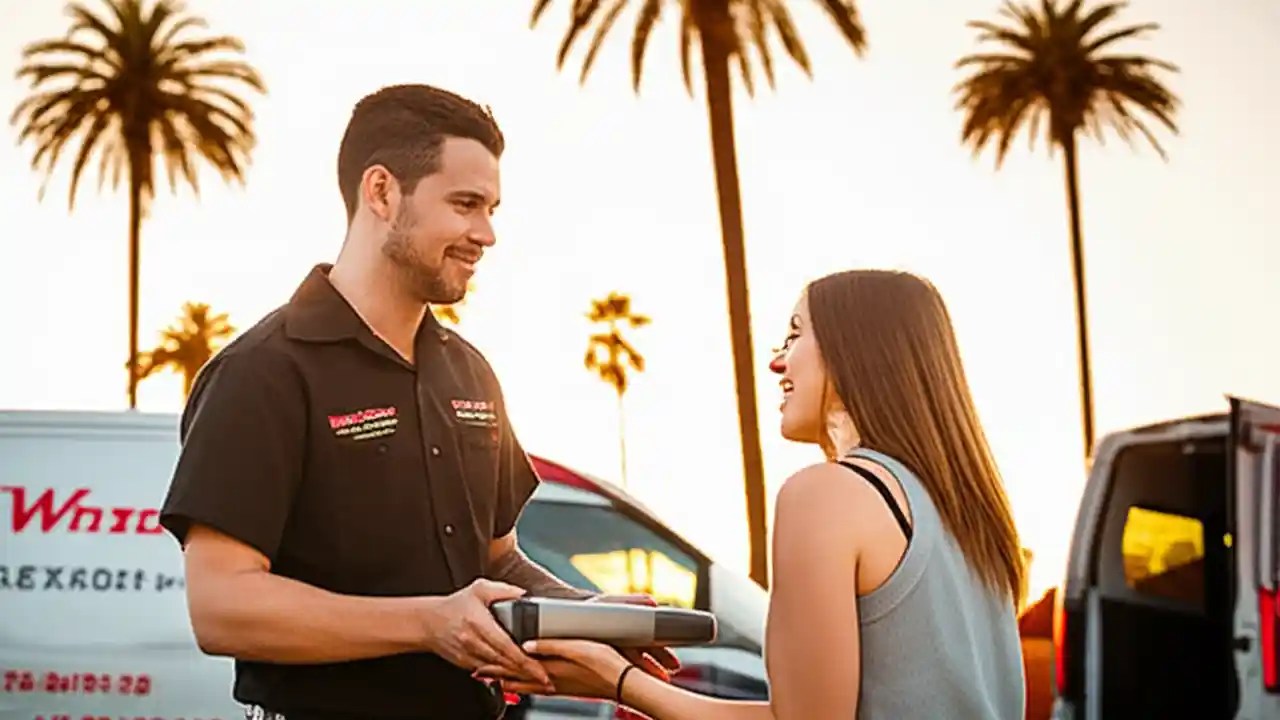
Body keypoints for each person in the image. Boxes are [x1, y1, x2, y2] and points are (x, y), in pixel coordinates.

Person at [157, 83, 676, 720]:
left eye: (491, 209)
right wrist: (430, 624)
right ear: (381, 192)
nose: (486, 233)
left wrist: (581, 613)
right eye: (465, 204)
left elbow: (497, 562)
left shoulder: (471, 373)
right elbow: (222, 608)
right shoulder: (261, 373)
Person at [488, 270, 1028, 719]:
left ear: (855, 350)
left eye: (794, 336)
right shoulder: (970, 516)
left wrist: (618, 680)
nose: (777, 362)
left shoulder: (825, 495)